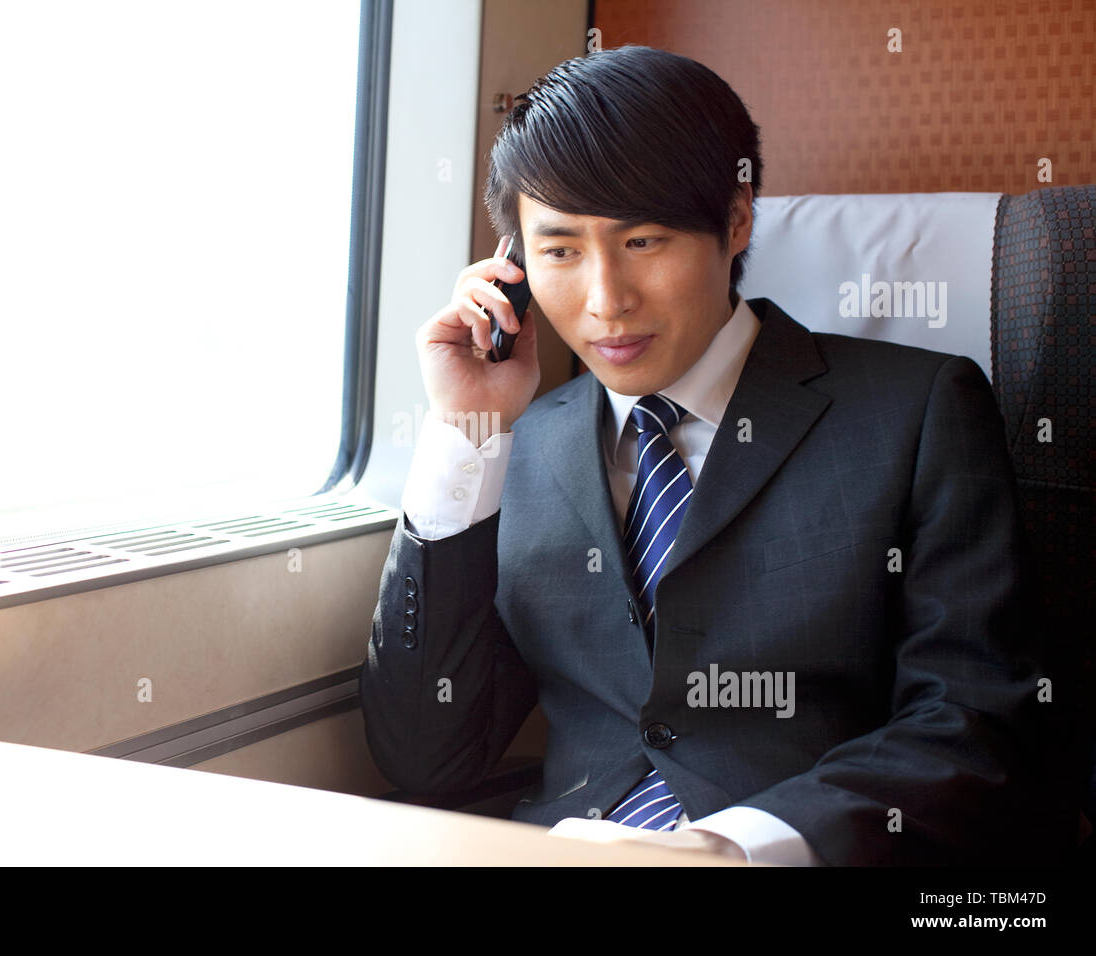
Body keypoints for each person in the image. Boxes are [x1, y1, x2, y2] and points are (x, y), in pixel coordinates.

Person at [358, 44, 1072, 865]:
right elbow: (424, 753)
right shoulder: (517, 446)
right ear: (511, 266)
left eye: (645, 242)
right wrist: (465, 435)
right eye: (559, 251)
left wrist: (734, 846)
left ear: (736, 220)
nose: (605, 302)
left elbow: (975, 721)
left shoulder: (916, 410)